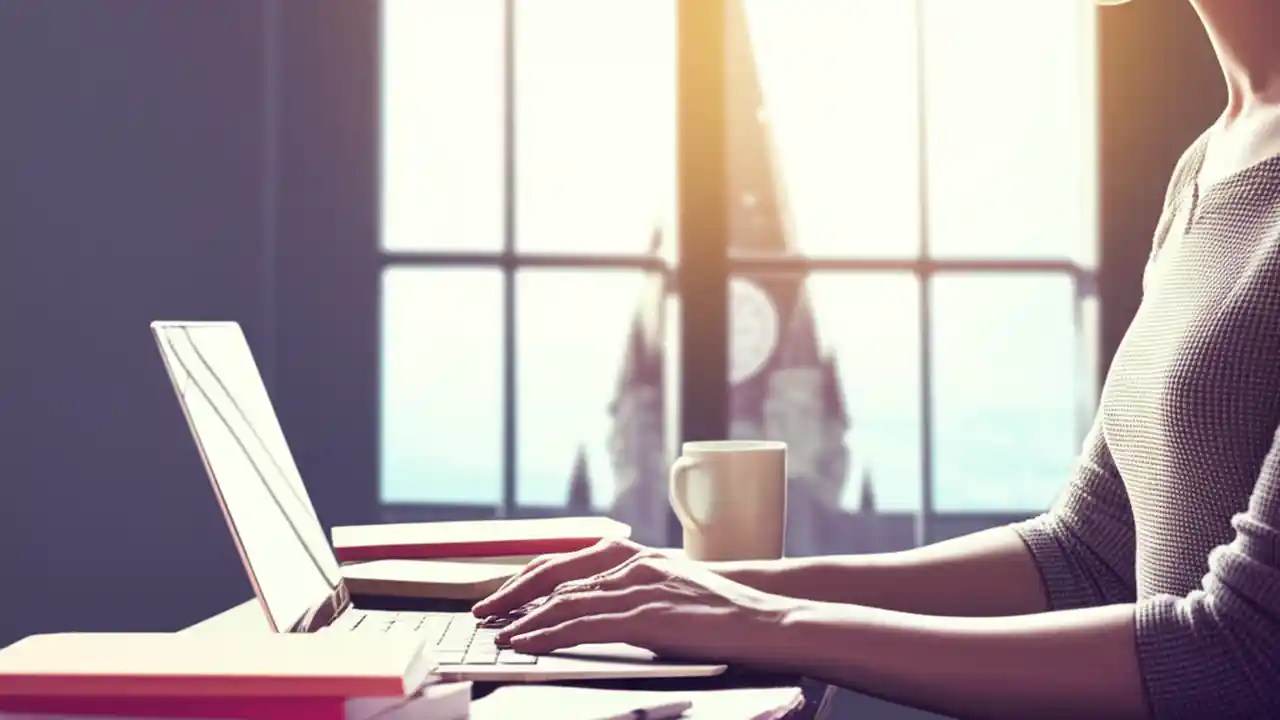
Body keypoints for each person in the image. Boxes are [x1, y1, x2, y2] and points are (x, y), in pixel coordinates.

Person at [473, 1, 1280, 716]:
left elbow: (1246, 655)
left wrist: (772, 624)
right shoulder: (1212, 160)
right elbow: (1093, 552)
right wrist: (701, 584)